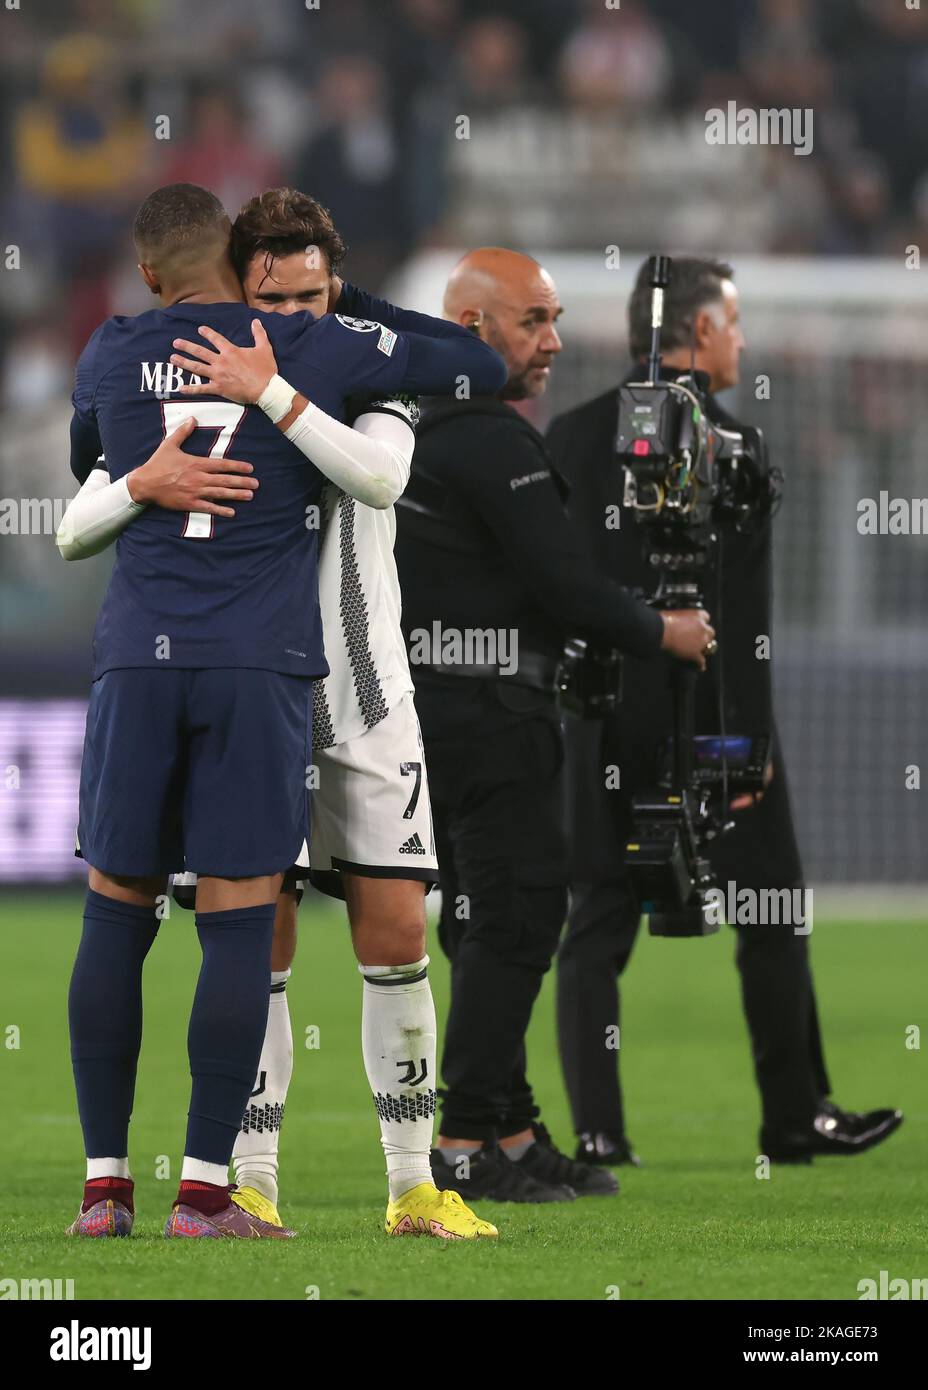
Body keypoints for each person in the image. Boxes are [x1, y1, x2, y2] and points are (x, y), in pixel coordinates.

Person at [63, 183, 505, 1242]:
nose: (300, 312)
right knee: (245, 931)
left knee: (394, 930)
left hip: (351, 685)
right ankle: (233, 1181)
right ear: (238, 278)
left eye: (319, 294)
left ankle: (408, 1183)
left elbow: (393, 465)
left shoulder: (316, 354)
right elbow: (88, 492)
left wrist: (292, 374)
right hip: (257, 675)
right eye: (281, 294)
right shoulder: (297, 352)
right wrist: (154, 469)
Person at [548, 255, 904, 1167]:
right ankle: (795, 1114)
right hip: (716, 724)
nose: (741, 341)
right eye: (733, 325)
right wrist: (751, 740)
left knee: (596, 920)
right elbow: (741, 620)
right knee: (772, 910)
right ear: (700, 332)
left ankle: (599, 1132)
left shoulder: (572, 438)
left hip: (602, 718)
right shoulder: (735, 446)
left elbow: (554, 591)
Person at [393, 247, 715, 1203]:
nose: (554, 340)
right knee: (521, 910)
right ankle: (462, 1144)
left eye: (554, 317)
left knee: (489, 920)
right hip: (494, 714)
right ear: (473, 330)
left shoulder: (411, 428)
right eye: (533, 320)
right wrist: (666, 629)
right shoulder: (489, 439)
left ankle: (511, 1125)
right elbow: (567, 588)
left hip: (428, 711)